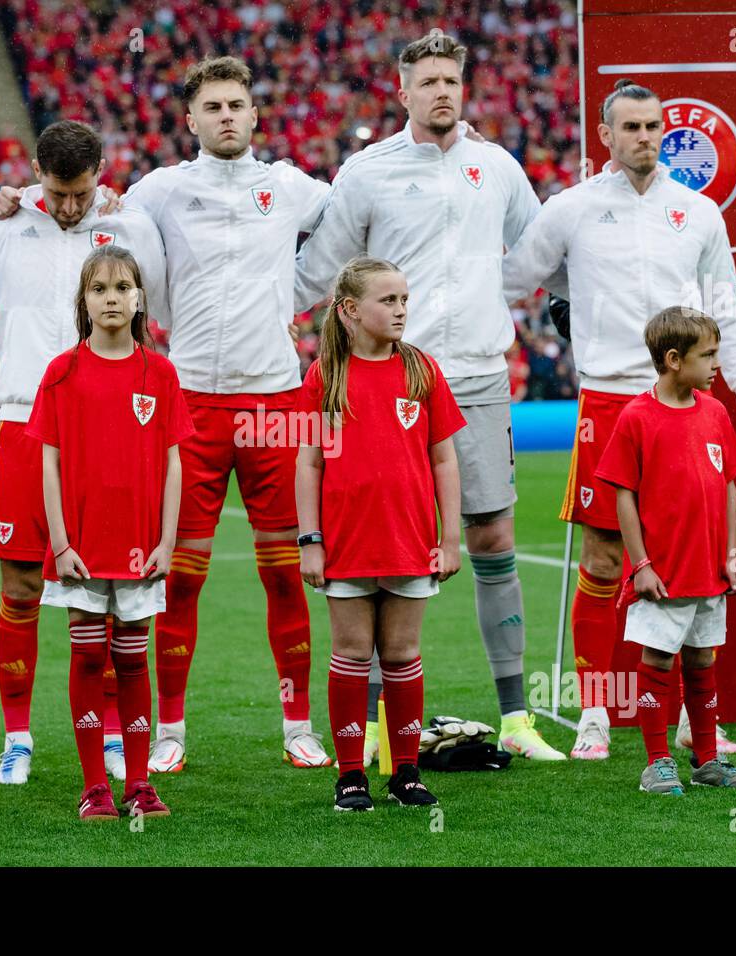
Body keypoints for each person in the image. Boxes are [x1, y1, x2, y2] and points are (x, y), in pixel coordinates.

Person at [294, 31, 567, 761]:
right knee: (377, 554)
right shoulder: (368, 171)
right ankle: (381, 731)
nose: (442, 91)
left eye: (452, 79)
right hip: (383, 378)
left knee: (493, 538)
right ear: (404, 90)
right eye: (429, 81)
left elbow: (539, 253)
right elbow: (320, 268)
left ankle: (515, 719)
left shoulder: (496, 167)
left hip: (475, 373)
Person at [499, 78, 736, 758]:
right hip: (610, 397)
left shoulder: (699, 212)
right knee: (602, 555)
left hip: (691, 402)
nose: (644, 136)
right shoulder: (572, 209)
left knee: (693, 556)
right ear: (606, 135)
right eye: (631, 127)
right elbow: (513, 278)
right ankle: (595, 711)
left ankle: (690, 717)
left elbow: (728, 311)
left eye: (654, 126)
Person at [115, 56, 333, 772]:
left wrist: (299, 291)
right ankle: (170, 729)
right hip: (190, 405)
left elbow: (351, 221)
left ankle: (298, 724)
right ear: (191, 121)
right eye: (213, 107)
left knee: (284, 572)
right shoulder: (162, 189)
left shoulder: (291, 186)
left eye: (237, 104)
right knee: (179, 578)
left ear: (255, 114)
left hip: (277, 400)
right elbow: (96, 216)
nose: (227, 116)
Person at [0, 119, 168, 784]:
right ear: (37, 176)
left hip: (111, 424)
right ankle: (17, 738)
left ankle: (114, 735)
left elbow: (161, 301)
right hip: (25, 419)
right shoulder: (5, 225)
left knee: (111, 588)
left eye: (82, 193)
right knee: (22, 586)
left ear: (99, 175)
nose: (72, 206)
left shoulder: (127, 226)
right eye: (58, 193)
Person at [27, 246, 193, 819]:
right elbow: (47, 462)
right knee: (87, 658)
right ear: (84, 301)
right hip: (81, 548)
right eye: (99, 289)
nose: (112, 297)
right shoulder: (63, 371)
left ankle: (140, 783)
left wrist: (168, 541)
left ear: (140, 297)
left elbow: (174, 463)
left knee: (132, 659)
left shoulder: (160, 372)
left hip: (143, 545)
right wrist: (61, 542)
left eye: (123, 287)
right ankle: (95, 784)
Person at [296, 257, 465, 810]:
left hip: (409, 539)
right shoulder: (325, 374)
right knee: (349, 652)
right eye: (388, 301)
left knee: (401, 652)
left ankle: (407, 772)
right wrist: (310, 539)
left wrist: (450, 538)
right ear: (350, 311)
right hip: (345, 542)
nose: (400, 310)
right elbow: (310, 464)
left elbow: (444, 459)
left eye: (404, 300)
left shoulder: (422, 371)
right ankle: (350, 776)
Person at [595, 307, 736, 794]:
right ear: (672, 359)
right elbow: (623, 493)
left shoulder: (713, 411)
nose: (716, 364)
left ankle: (707, 760)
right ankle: (657, 762)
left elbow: (731, 482)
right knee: (659, 661)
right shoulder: (637, 417)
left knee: (703, 659)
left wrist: (732, 551)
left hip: (710, 568)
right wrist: (640, 564)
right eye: (708, 355)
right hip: (664, 572)